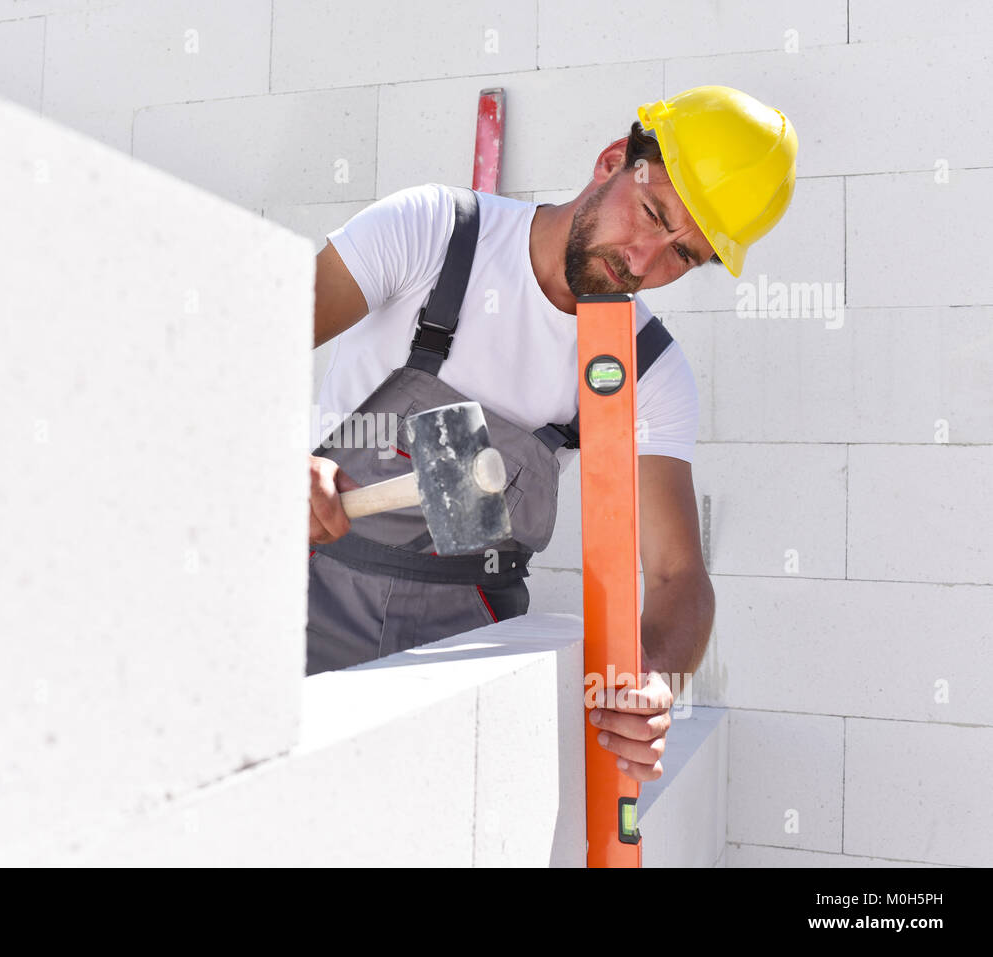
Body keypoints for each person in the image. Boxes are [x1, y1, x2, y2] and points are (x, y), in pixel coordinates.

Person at [306, 86, 798, 782]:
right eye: (653, 212)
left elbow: (677, 574)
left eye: (682, 255)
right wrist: (275, 460)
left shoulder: (647, 370)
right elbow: (242, 344)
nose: (642, 261)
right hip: (308, 599)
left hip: (466, 641)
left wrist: (654, 680)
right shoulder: (432, 232)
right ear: (612, 161)